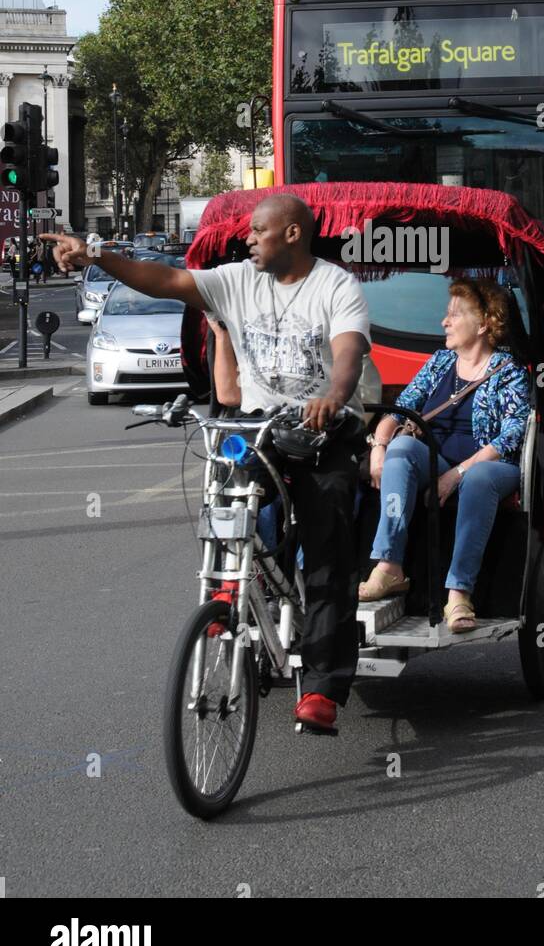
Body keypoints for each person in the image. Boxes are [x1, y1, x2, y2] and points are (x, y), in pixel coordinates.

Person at [43, 194, 371, 733]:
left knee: (330, 550)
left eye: (258, 230)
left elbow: (349, 351)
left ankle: (321, 688)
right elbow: (163, 280)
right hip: (259, 428)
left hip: (321, 432)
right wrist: (95, 254)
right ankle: (231, 588)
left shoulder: (336, 286)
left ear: (292, 234)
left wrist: (333, 395)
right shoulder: (236, 279)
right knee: (225, 493)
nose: (248, 238)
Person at [360, 277, 529, 633]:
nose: (444, 322)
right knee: (402, 448)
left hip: (490, 465)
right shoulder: (439, 363)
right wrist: (380, 446)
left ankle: (459, 592)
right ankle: (389, 567)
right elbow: (401, 409)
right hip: (435, 459)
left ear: (483, 324)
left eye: (454, 315)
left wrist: (457, 475)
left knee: (479, 480)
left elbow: (512, 435)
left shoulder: (509, 371)